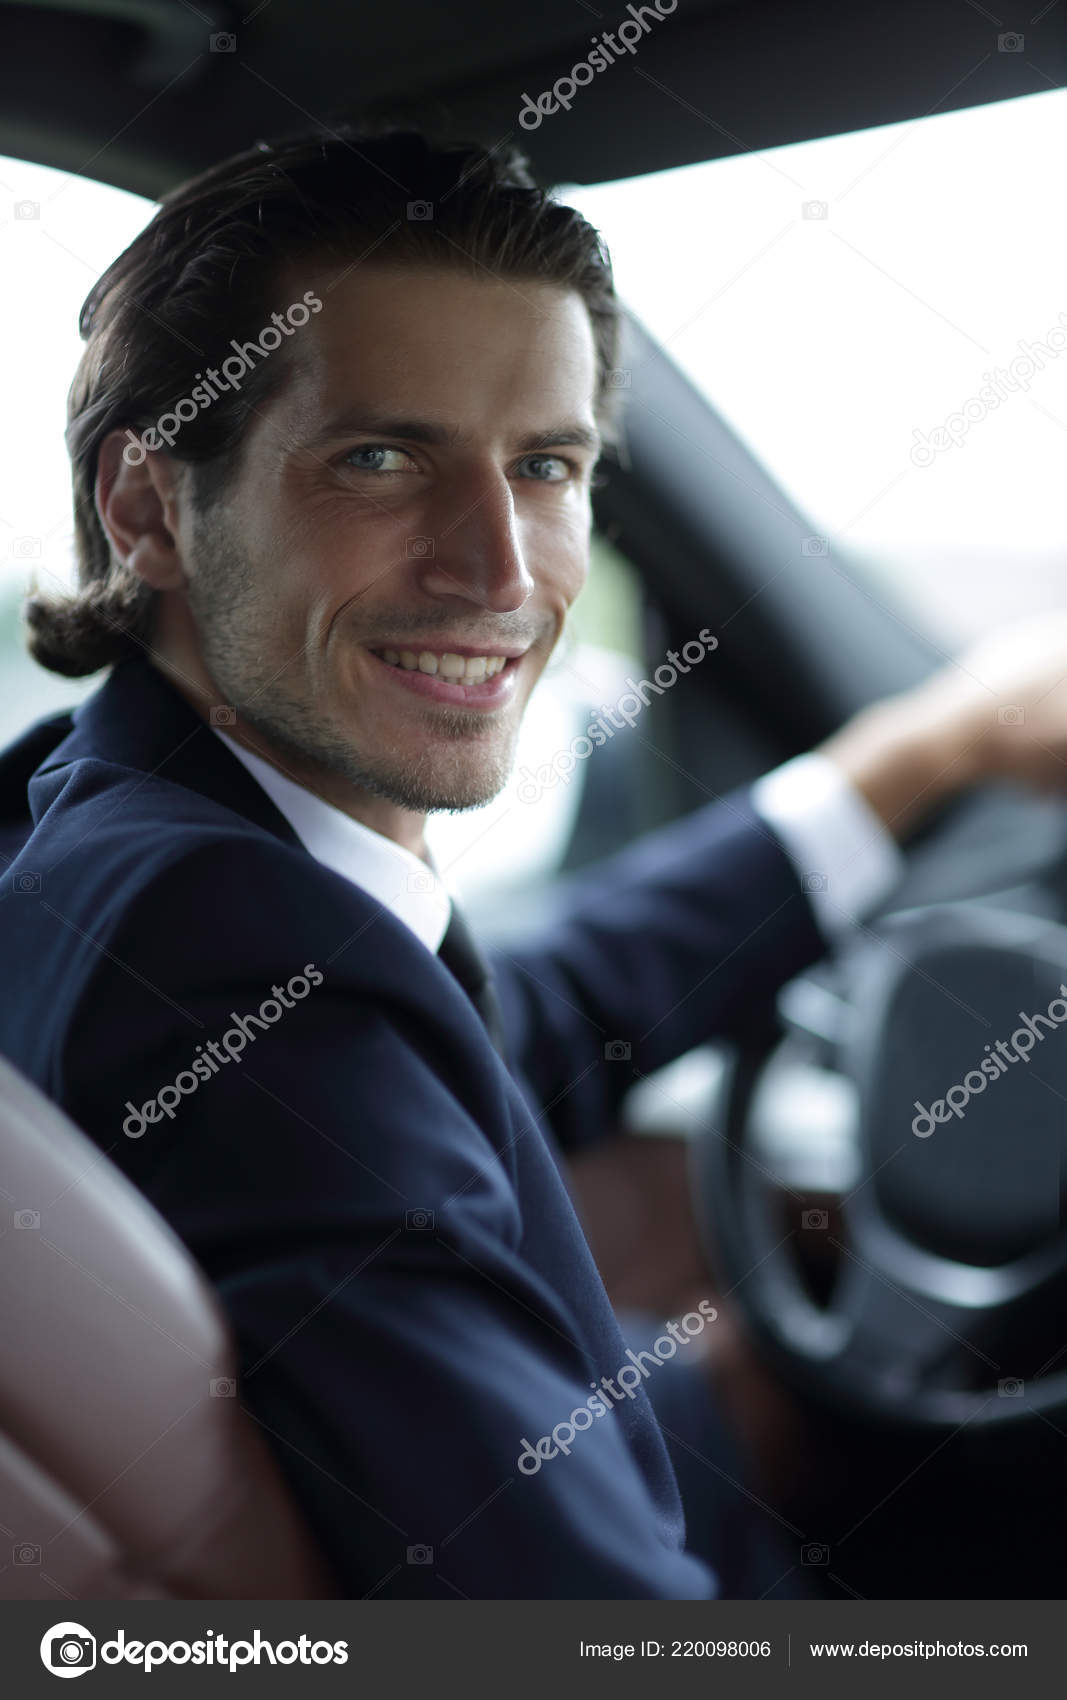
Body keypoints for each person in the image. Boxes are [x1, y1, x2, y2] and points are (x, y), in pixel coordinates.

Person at [3, 123, 1067, 1599]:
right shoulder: (235, 953)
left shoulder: (101, 815)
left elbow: (499, 1029)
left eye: (548, 467)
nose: (500, 573)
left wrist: (911, 767)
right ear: (149, 507)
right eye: (382, 459)